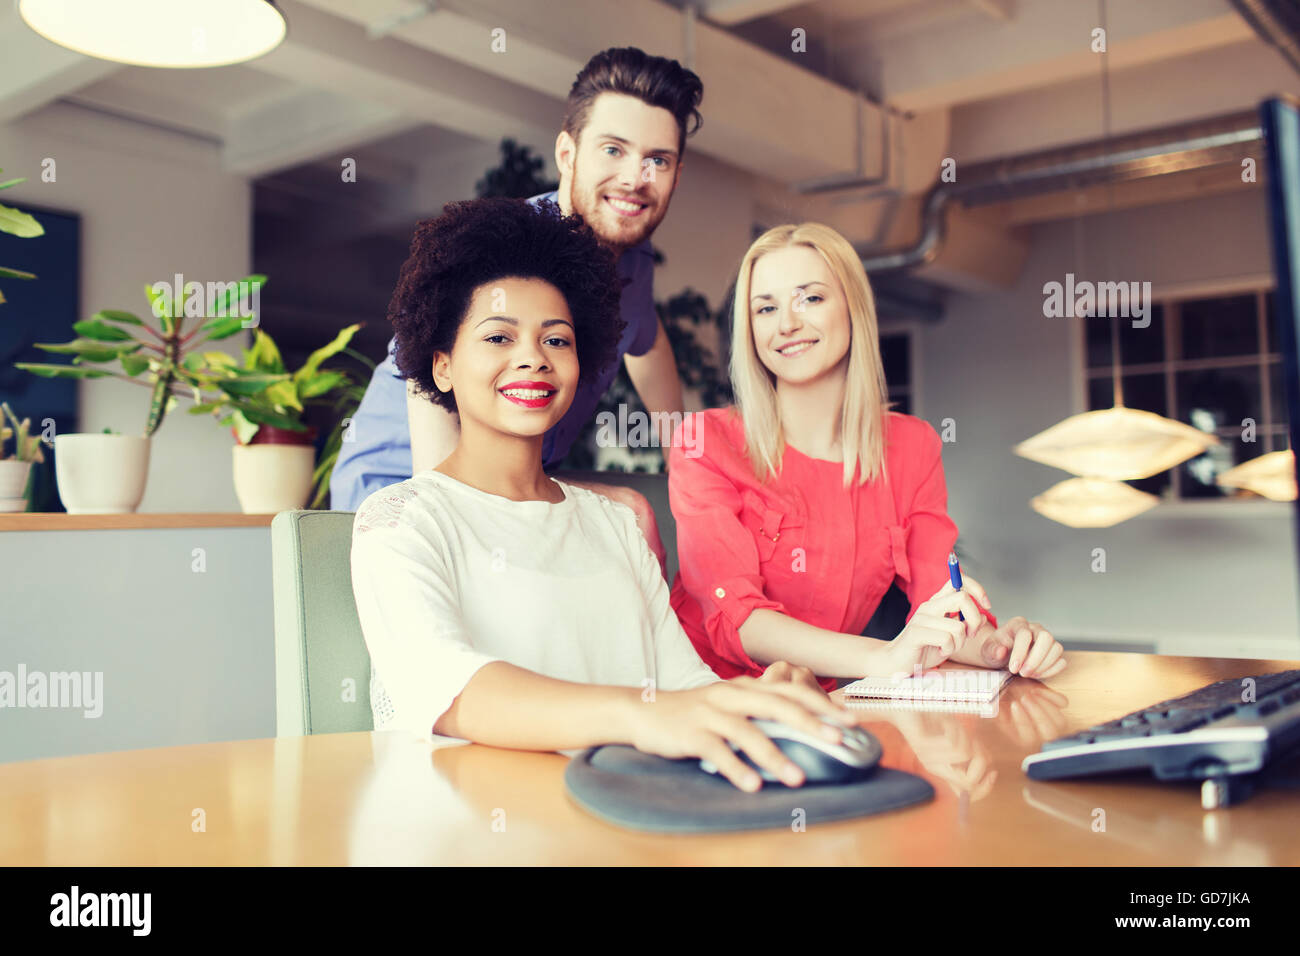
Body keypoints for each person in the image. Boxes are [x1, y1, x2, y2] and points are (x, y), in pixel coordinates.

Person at [351, 198, 854, 794]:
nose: (532, 358)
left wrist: (756, 697)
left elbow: (682, 687)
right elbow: (451, 688)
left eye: (557, 340)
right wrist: (639, 716)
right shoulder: (399, 521)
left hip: (628, 823)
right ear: (442, 368)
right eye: (498, 337)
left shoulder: (614, 525)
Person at [332, 47, 700, 574]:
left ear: (676, 174)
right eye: (614, 150)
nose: (634, 178)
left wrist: (685, 461)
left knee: (631, 532)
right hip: (402, 488)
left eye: (656, 160)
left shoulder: (633, 261)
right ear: (568, 154)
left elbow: (648, 341)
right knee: (626, 518)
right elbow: (423, 376)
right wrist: (454, 508)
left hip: (511, 483)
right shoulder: (507, 245)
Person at [667, 223, 1068, 691]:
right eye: (766, 308)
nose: (786, 324)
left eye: (810, 298)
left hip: (824, 710)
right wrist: (887, 656)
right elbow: (737, 618)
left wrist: (1003, 647)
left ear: (853, 309)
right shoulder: (705, 441)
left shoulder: (911, 447)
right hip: (702, 698)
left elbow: (939, 601)